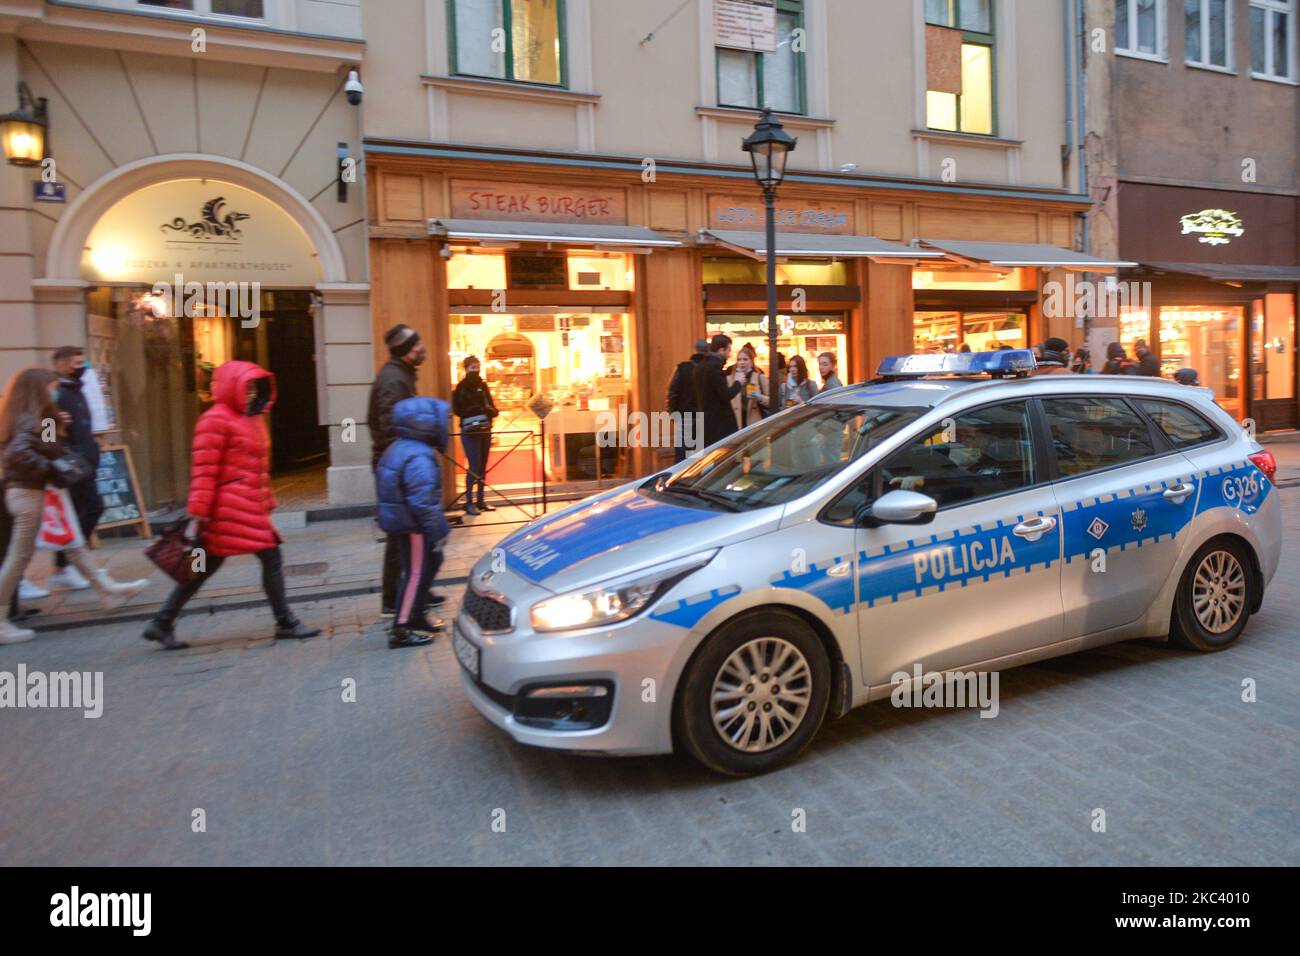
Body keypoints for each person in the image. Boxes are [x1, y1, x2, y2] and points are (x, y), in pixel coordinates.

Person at [141, 361, 320, 650]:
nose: (250, 392)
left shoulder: (250, 418)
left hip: (244, 505)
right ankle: (285, 622)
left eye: (253, 386)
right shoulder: (215, 419)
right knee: (269, 557)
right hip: (228, 508)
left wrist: (266, 500)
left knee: (206, 565)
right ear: (230, 386)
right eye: (245, 386)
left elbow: (257, 468)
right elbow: (204, 468)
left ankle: (162, 622)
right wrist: (198, 509)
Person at [0, 369, 147, 644]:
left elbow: (48, 447)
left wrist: (57, 427)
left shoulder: (33, 417)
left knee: (73, 543)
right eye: (51, 387)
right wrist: (52, 469)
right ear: (37, 390)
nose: (56, 392)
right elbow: (22, 454)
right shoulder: (31, 418)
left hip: (34, 492)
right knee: (18, 558)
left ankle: (107, 590)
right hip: (29, 494)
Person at [367, 324, 433, 617]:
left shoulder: (401, 375)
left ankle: (417, 587)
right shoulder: (394, 380)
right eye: (418, 345)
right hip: (396, 467)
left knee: (417, 529)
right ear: (408, 351)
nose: (422, 349)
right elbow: (388, 426)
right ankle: (393, 600)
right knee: (401, 533)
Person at [376, 397, 451, 648]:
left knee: (432, 562)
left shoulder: (402, 446)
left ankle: (417, 614)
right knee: (417, 572)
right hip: (414, 526)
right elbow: (422, 502)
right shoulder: (418, 455)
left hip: (406, 520)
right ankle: (402, 626)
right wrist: (438, 530)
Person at [43, 347, 104, 591]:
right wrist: (57, 453)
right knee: (91, 508)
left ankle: (68, 565)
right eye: (76, 363)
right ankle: (67, 565)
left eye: (81, 363)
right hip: (72, 465)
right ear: (62, 364)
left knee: (81, 511)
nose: (81, 368)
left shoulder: (75, 390)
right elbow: (46, 431)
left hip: (84, 462)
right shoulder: (54, 393)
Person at [452, 355, 499, 516]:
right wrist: (477, 409)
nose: (475, 369)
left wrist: (488, 411)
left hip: (485, 429)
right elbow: (458, 409)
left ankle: (481, 500)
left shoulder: (483, 385)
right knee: (473, 466)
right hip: (469, 432)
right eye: (472, 367)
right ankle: (469, 502)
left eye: (477, 366)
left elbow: (491, 406)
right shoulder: (461, 387)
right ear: (466, 368)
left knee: (482, 467)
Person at [693, 334, 745, 448]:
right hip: (719, 426)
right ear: (721, 350)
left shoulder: (700, 366)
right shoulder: (714, 367)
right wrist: (738, 383)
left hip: (707, 424)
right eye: (728, 350)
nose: (729, 354)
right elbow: (725, 394)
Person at [667, 338, 708, 463]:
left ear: (694, 349)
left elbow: (672, 391)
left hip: (685, 417)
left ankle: (678, 481)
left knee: (681, 457)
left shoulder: (682, 368)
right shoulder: (709, 369)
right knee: (701, 458)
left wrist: (672, 412)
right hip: (704, 418)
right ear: (707, 351)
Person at [727, 344, 769, 430]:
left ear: (751, 361)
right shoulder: (729, 379)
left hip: (754, 423)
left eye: (745, 359)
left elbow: (772, 401)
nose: (741, 362)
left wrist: (760, 397)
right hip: (735, 423)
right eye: (739, 360)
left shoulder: (760, 378)